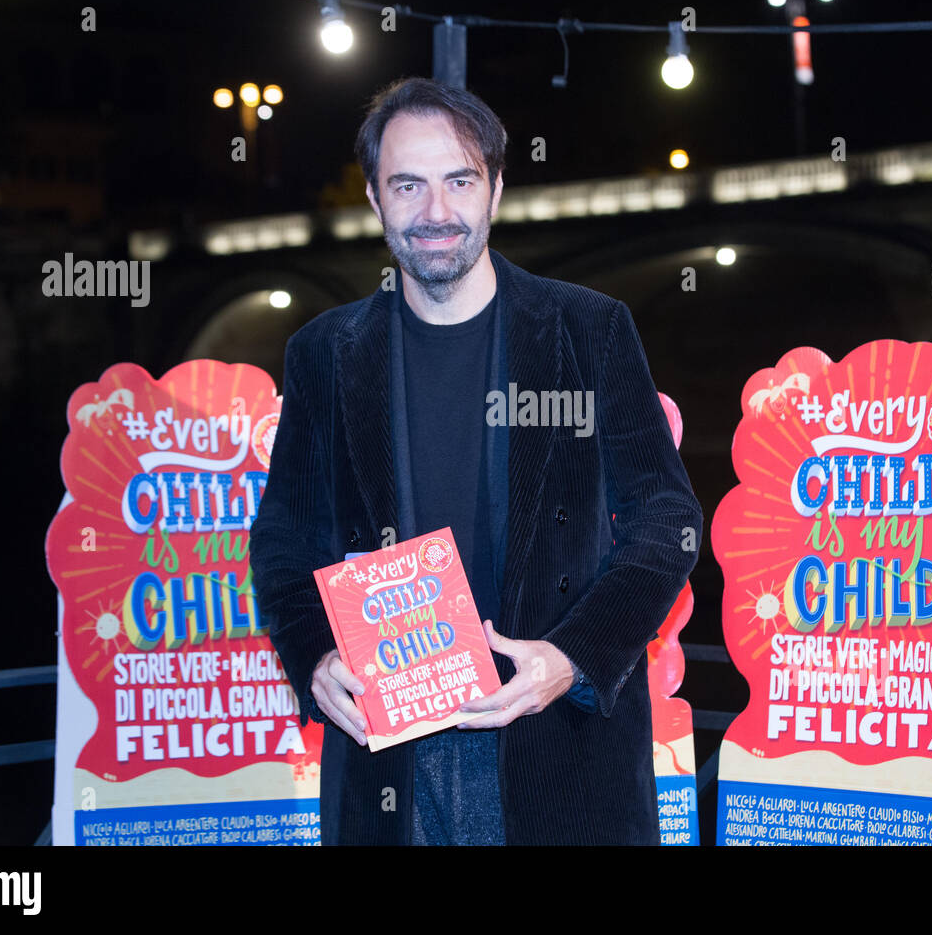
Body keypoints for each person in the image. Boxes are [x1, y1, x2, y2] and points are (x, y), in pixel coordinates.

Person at [249, 76, 703, 844]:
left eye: (459, 181)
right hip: (388, 759)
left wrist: (572, 658)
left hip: (556, 742)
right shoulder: (324, 354)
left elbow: (668, 520)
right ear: (374, 199)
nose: (435, 213)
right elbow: (284, 540)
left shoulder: (589, 329)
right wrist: (314, 655)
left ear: (495, 190)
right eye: (408, 185)